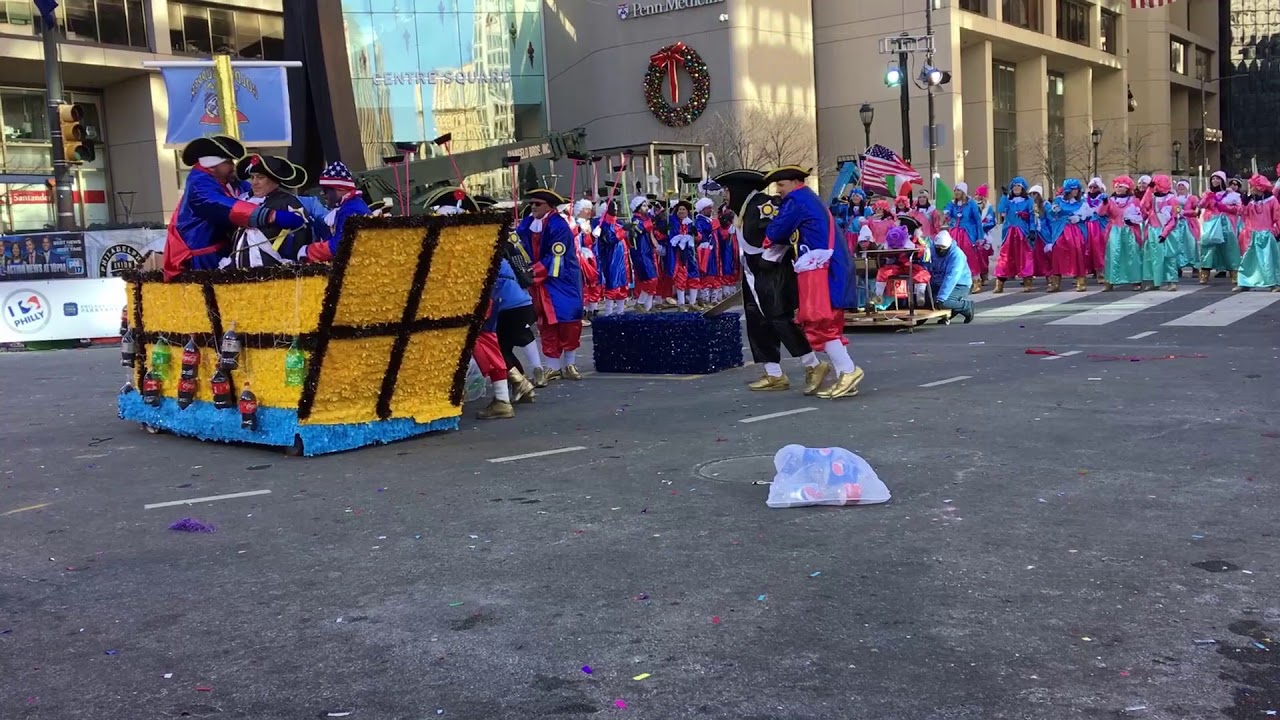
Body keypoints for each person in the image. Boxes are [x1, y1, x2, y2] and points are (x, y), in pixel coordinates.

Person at [716, 168, 823, 394]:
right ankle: (774, 373)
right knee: (756, 321)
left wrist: (768, 258)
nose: (724, 195)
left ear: (737, 189)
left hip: (772, 270)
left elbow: (781, 233)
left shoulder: (763, 205)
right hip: (752, 273)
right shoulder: (743, 210)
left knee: (780, 319)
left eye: (726, 190)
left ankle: (814, 365)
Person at [762, 165, 862, 400]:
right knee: (830, 324)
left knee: (819, 321)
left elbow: (776, 231)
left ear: (796, 183)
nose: (779, 190)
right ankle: (845, 376)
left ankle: (849, 371)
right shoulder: (809, 198)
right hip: (833, 266)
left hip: (820, 269)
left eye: (782, 185)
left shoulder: (796, 200)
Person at [162, 135, 304, 280]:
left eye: (260, 177)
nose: (233, 166)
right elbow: (222, 205)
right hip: (201, 257)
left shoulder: (225, 180)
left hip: (227, 254)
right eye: (229, 162)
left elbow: (250, 192)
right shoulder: (199, 185)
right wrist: (271, 216)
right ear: (214, 166)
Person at [516, 188, 585, 381]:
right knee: (546, 321)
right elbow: (519, 244)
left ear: (549, 206)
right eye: (531, 203)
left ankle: (570, 363)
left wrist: (532, 272)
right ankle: (553, 366)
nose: (533, 207)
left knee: (568, 319)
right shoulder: (528, 223)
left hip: (562, 279)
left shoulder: (558, 225)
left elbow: (557, 257)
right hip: (540, 281)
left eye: (537, 204)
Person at [227, 154, 311, 269]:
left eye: (260, 177)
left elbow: (302, 233)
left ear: (274, 180)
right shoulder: (242, 199)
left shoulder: (288, 201)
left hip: (274, 272)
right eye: (252, 177)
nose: (254, 182)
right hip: (238, 272)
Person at [298, 161, 372, 263]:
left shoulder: (351, 210)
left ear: (340, 189)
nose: (322, 193)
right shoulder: (351, 205)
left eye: (325, 190)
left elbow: (340, 245)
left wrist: (308, 251)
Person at [1223, 174, 1280, 292]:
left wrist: (1274, 231)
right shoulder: (1250, 201)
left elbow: (1278, 217)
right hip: (1251, 234)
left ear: (1259, 187)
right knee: (1247, 259)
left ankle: (1273, 283)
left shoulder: (1271, 200)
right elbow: (1242, 213)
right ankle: (1244, 282)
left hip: (1266, 235)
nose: (1251, 188)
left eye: (1252, 186)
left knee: (1267, 260)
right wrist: (1244, 203)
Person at [1097, 175, 1144, 291]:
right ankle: (1110, 281)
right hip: (1114, 230)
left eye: (1121, 186)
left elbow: (1141, 215)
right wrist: (1104, 203)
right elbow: (1101, 213)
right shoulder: (1110, 201)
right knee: (1113, 254)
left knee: (1132, 254)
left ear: (1127, 188)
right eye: (1117, 186)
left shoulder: (1134, 200)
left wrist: (1132, 219)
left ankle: (1135, 281)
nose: (1118, 188)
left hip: (1130, 230)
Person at [1046, 179, 1091, 292]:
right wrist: (1054, 210)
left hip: (1076, 231)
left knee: (1077, 252)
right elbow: (1051, 214)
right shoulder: (1059, 201)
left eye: (1077, 189)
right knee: (1057, 254)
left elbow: (1089, 215)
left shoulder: (1082, 203)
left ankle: (1080, 280)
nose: (1075, 192)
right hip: (1061, 230)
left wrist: (1079, 218)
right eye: (1072, 189)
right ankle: (1055, 283)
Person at [1198, 171, 1242, 283]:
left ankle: (1234, 273)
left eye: (1218, 178)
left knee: (1229, 248)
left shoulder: (1232, 195)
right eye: (1213, 179)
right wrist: (1207, 197)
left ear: (1222, 180)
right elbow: (1201, 205)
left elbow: (1239, 209)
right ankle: (1204, 273)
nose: (1215, 181)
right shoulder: (1208, 194)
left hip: (1226, 224)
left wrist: (1223, 207)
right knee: (1208, 248)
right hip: (1211, 223)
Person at [943, 182, 985, 294]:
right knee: (953, 257)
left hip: (967, 234)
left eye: (959, 190)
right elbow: (948, 214)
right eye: (955, 190)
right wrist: (947, 214)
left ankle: (976, 280)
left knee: (970, 257)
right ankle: (956, 282)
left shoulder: (971, 204)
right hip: (955, 234)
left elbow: (977, 220)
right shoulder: (952, 204)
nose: (956, 193)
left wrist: (980, 236)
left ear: (964, 192)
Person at [994, 177, 1034, 293]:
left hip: (1023, 232)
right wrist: (1004, 196)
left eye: (1019, 186)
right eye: (1014, 186)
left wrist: (1032, 230)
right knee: (1005, 257)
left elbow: (1032, 217)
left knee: (1025, 256)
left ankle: (1027, 281)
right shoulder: (1009, 201)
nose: (1016, 188)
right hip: (1009, 233)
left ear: (1023, 188)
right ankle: (1000, 283)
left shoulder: (1028, 201)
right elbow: (1000, 209)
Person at [1142, 175, 1181, 291]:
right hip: (1153, 230)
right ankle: (1155, 281)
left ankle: (1172, 281)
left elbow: (1175, 218)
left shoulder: (1173, 200)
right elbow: (1143, 206)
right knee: (1152, 257)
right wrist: (1149, 190)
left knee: (1169, 256)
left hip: (1168, 232)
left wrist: (1165, 233)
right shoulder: (1152, 198)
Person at [594, 200, 631, 316]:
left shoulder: (617, 223)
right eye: (612, 208)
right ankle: (608, 313)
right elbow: (610, 239)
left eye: (616, 208)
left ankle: (620, 312)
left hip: (622, 259)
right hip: (611, 259)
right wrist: (624, 230)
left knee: (622, 285)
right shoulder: (603, 225)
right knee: (612, 285)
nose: (615, 210)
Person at [930, 230, 974, 323]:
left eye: (943, 247)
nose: (940, 249)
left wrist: (941, 297)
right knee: (928, 301)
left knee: (943, 302)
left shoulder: (957, 255)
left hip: (960, 284)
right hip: (939, 282)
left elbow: (952, 277)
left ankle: (966, 306)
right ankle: (950, 312)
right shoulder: (932, 250)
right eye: (938, 247)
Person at [629, 196, 661, 312]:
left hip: (648, 252)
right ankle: (640, 302)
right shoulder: (635, 220)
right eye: (644, 205)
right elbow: (638, 229)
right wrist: (649, 223)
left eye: (647, 205)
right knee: (650, 279)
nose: (647, 208)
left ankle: (647, 307)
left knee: (654, 279)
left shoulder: (647, 218)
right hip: (640, 253)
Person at [667, 200, 701, 309]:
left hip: (691, 254)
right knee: (680, 277)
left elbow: (698, 238)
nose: (681, 211)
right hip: (678, 254)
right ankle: (681, 303)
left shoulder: (691, 222)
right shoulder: (672, 222)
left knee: (693, 276)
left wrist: (695, 233)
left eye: (683, 209)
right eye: (679, 209)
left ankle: (692, 303)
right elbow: (669, 237)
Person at [694, 197, 722, 307]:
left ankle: (714, 297)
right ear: (702, 210)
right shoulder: (700, 221)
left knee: (714, 272)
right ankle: (705, 298)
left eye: (710, 208)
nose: (710, 210)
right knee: (707, 272)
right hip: (706, 250)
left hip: (714, 249)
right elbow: (699, 236)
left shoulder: (709, 220)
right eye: (708, 208)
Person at [1170, 180, 1201, 277]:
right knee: (1177, 245)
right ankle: (1178, 267)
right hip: (1177, 225)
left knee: (1191, 245)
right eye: (1179, 186)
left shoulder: (1193, 198)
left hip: (1190, 225)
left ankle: (1195, 267)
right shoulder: (1174, 199)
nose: (1180, 187)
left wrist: (1186, 213)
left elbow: (1197, 211)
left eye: (1183, 186)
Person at [1083, 178, 1109, 281]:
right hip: (1086, 225)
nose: (1092, 189)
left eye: (1095, 187)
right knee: (1086, 248)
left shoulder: (1103, 197)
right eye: (1090, 187)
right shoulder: (1084, 198)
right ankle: (1084, 271)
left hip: (1099, 225)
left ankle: (1100, 271)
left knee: (1099, 248)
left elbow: (1108, 210)